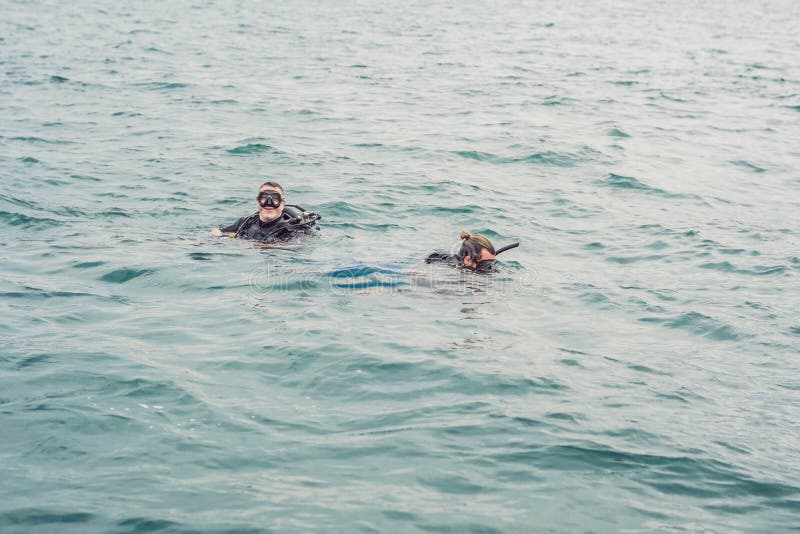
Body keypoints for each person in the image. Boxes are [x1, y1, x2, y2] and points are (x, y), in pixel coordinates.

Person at [211, 181, 320, 242]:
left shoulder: (292, 229)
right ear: (258, 202)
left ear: (282, 203)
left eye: (275, 199)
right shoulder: (246, 222)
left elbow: (299, 249)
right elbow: (218, 231)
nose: (269, 203)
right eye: (264, 198)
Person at [426, 231, 518, 273]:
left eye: (492, 262)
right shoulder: (447, 270)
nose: (490, 268)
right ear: (468, 260)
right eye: (485, 264)